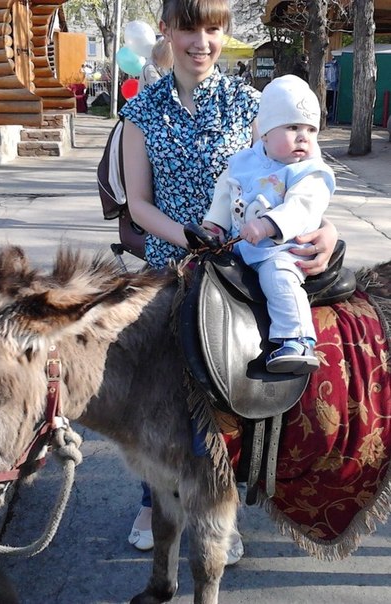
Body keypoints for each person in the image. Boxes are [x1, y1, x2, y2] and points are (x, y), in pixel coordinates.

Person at [120, 0, 337, 562]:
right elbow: (138, 203)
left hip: (243, 268)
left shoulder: (251, 103)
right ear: (166, 30)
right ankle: (153, 498)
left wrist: (327, 229)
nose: (201, 41)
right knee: (159, 392)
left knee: (226, 386)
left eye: (213, 29)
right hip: (171, 264)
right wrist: (191, 237)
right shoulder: (140, 111)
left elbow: (303, 174)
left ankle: (220, 501)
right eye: (189, 28)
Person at [203, 75, 335, 374]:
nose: (303, 137)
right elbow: (226, 193)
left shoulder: (310, 172)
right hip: (241, 248)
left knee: (279, 277)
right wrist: (214, 225)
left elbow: (303, 206)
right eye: (292, 127)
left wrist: (268, 225)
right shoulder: (242, 161)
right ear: (264, 133)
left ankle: (296, 339)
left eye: (310, 129)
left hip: (282, 249)